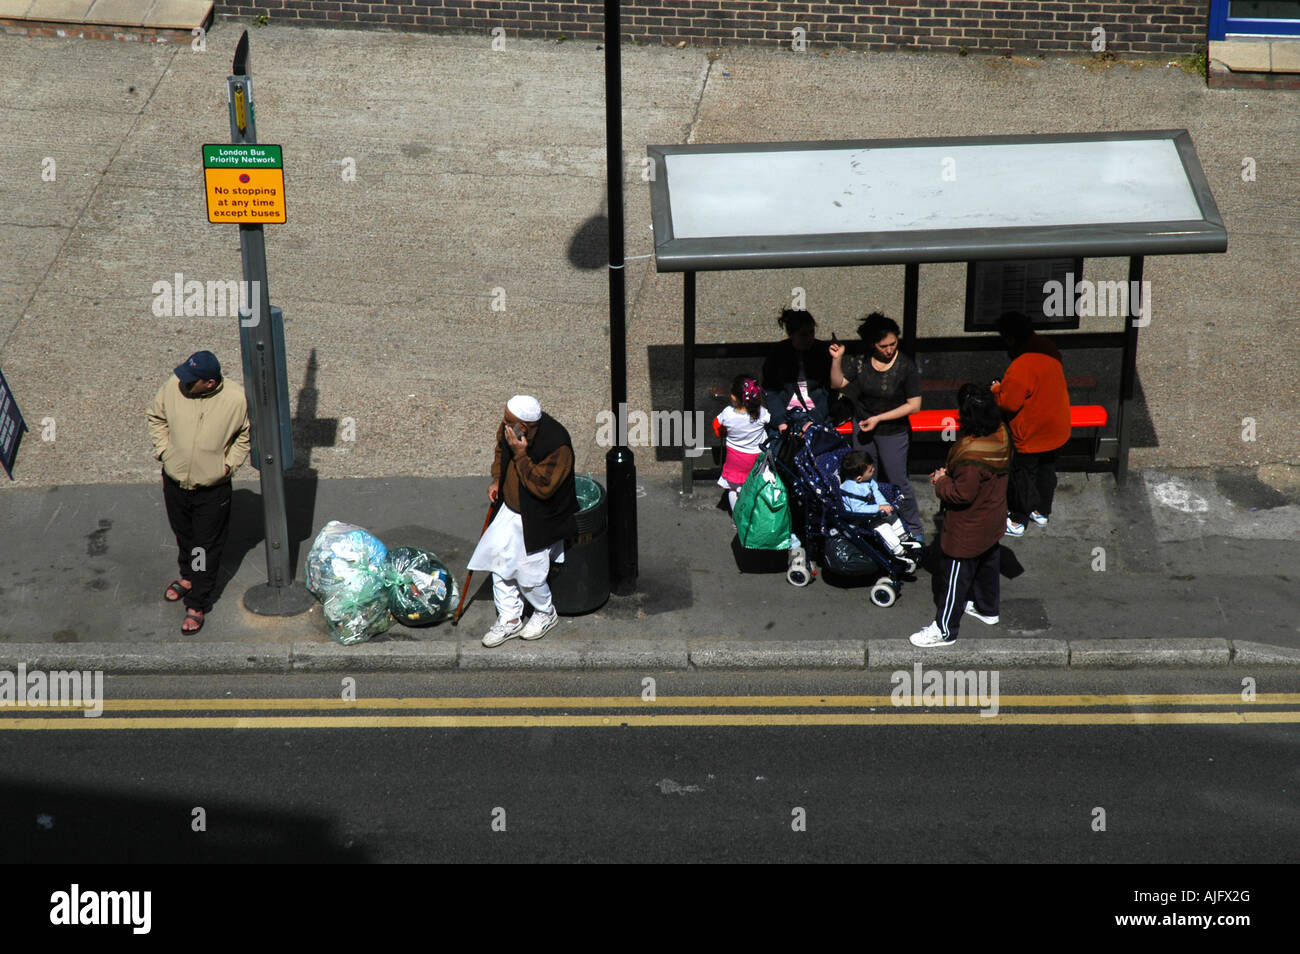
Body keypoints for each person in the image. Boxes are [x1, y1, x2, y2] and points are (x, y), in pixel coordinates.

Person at [146, 350, 251, 635]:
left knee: (204, 548)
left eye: (190, 380)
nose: (182, 383)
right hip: (175, 481)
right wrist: (164, 451)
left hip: (211, 490)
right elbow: (156, 416)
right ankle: (189, 577)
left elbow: (245, 435)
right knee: (185, 536)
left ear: (209, 382)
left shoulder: (236, 399)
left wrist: (227, 467)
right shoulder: (174, 386)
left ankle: (197, 602)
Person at [469, 395, 579, 648]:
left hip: (539, 517)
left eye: (509, 419)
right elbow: (500, 450)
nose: (504, 423)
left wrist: (520, 454)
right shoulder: (511, 428)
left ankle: (545, 612)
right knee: (499, 563)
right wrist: (497, 479)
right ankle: (510, 619)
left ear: (525, 427)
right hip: (511, 509)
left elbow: (543, 487)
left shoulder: (557, 445)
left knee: (530, 576)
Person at [909, 383, 1011, 648]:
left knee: (955, 578)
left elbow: (961, 494)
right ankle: (988, 610)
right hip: (994, 517)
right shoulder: (1001, 433)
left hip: (969, 527)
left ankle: (944, 630)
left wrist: (941, 481)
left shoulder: (970, 456)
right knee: (988, 562)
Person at [829, 312, 924, 543]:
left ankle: (914, 528)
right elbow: (837, 383)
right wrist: (837, 359)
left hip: (892, 431)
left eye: (893, 344)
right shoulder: (862, 361)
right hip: (863, 427)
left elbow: (914, 405)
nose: (890, 349)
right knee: (866, 478)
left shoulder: (905, 366)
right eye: (884, 346)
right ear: (873, 344)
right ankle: (875, 522)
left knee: (897, 479)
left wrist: (879, 419)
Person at [991, 311, 1071, 536]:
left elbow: (1008, 404)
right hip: (1057, 428)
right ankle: (1041, 511)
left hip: (1032, 433)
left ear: (1010, 338)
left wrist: (997, 389)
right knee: (1047, 470)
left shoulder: (1021, 365)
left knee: (1023, 476)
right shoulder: (1047, 346)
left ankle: (1018, 520)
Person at [838, 450, 922, 565]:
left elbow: (877, 493)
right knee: (884, 526)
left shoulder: (868, 481)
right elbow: (858, 510)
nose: (874, 469)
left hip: (871, 514)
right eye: (870, 470)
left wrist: (885, 506)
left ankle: (904, 538)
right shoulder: (850, 490)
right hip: (859, 520)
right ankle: (898, 551)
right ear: (859, 478)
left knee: (893, 517)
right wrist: (878, 508)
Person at [761, 308, 834, 432]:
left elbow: (830, 390)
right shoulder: (778, 353)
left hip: (817, 414)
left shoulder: (822, 351)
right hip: (787, 415)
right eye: (803, 335)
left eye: (812, 332)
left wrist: (817, 419)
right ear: (791, 334)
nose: (809, 338)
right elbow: (770, 390)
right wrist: (781, 421)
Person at [715, 374, 770, 512]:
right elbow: (769, 420)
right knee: (754, 488)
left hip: (735, 458)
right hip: (756, 458)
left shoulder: (727, 413)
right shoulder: (761, 413)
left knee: (733, 489)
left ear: (733, 397)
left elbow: (716, 425)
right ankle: (754, 516)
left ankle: (737, 518)